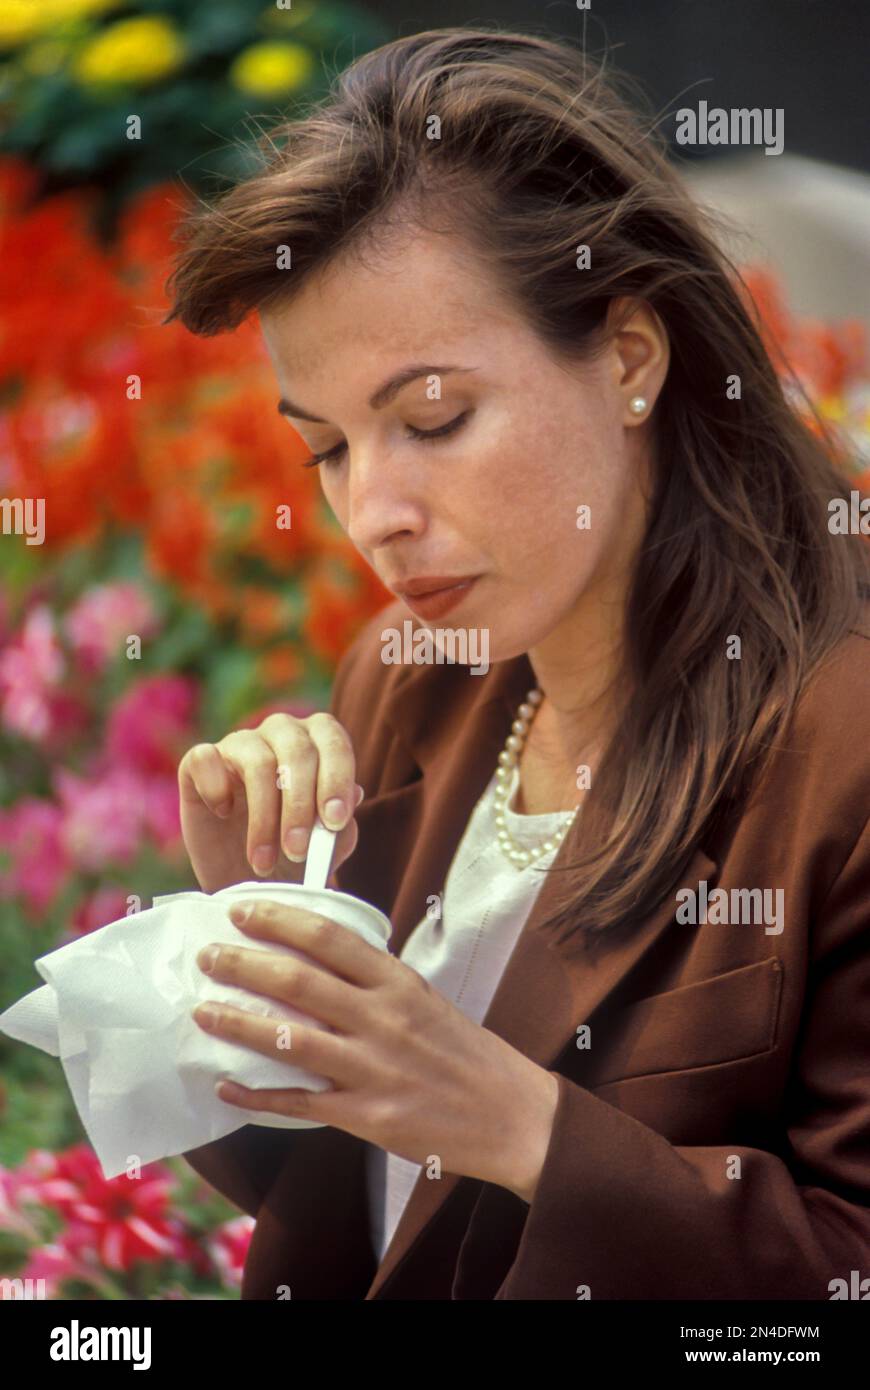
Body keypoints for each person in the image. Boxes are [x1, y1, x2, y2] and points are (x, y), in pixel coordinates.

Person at [163, 28, 870, 1299]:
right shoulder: (409, 669)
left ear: (631, 357)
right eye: (328, 447)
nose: (374, 510)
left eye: (433, 417)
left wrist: (523, 1126)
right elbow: (354, 1216)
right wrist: (255, 944)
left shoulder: (844, 741)